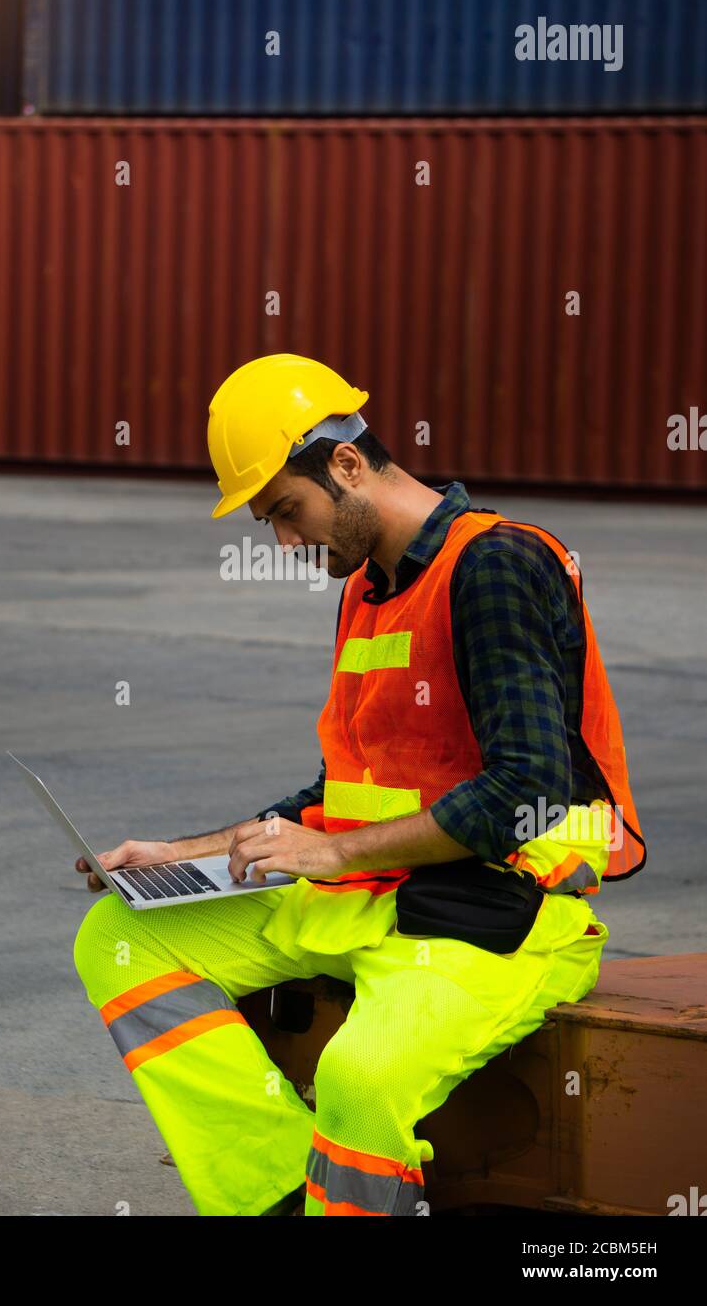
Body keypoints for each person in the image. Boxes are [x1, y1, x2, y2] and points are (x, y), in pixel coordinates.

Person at [72, 353, 646, 1216]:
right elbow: (340, 788)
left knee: (358, 1077)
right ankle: (275, 1193)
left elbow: (526, 790)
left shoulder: (492, 568)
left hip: (498, 910)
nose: (286, 544)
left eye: (287, 513)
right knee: (120, 936)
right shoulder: (370, 588)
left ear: (346, 463)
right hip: (372, 890)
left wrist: (332, 853)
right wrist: (183, 855)